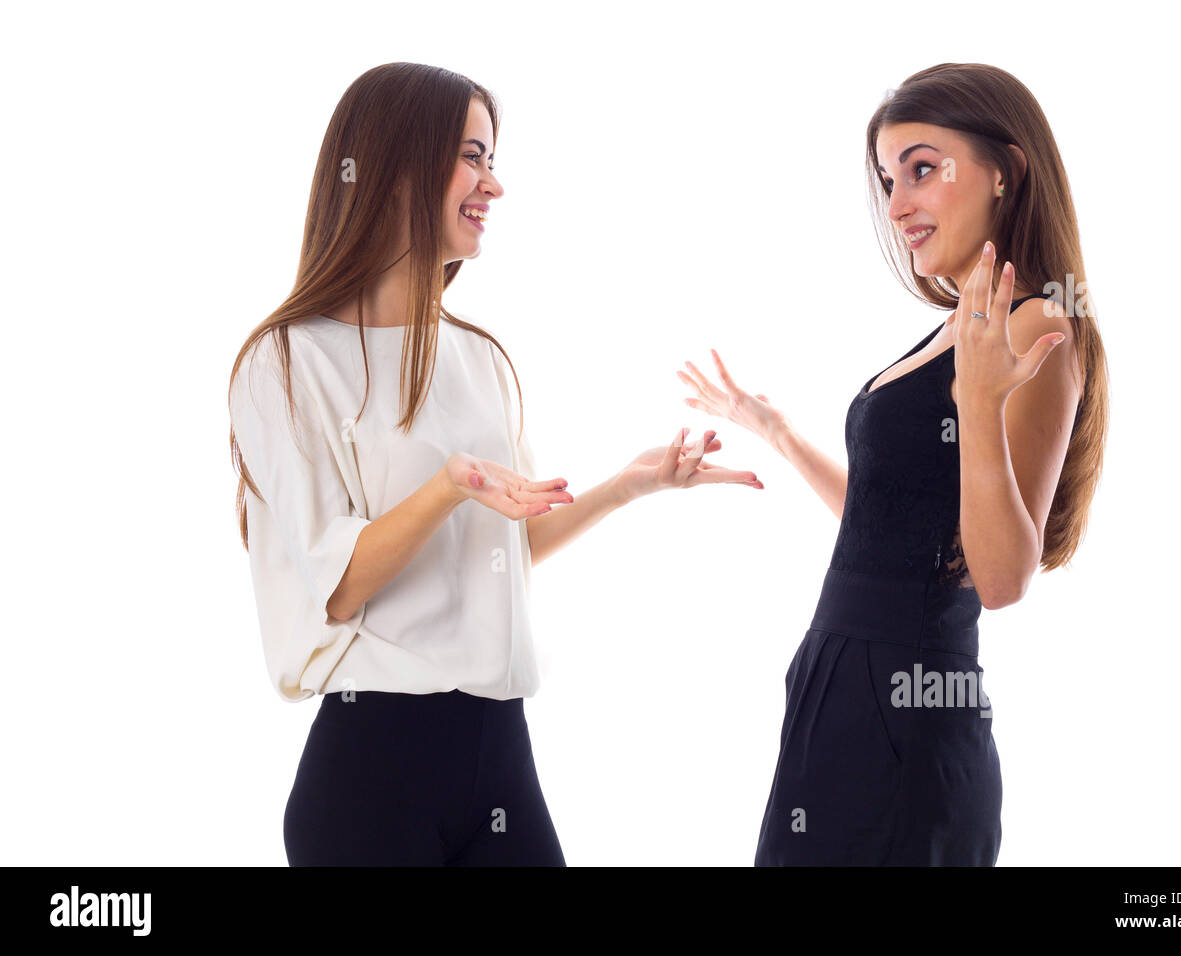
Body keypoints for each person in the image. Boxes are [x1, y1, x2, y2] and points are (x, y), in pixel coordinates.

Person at [227, 62, 762, 867]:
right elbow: (338, 584)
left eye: (491, 159)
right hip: (374, 770)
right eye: (473, 157)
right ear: (397, 165)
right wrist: (450, 485)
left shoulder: (480, 358)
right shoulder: (286, 363)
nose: (494, 185)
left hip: (499, 752)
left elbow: (503, 551)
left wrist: (629, 484)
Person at [678, 63, 1109, 865]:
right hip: (836, 681)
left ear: (1006, 171)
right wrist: (776, 430)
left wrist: (977, 406)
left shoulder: (1038, 324)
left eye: (922, 168)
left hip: (910, 706)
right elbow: (897, 526)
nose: (898, 202)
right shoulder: (958, 324)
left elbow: (1003, 578)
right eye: (887, 179)